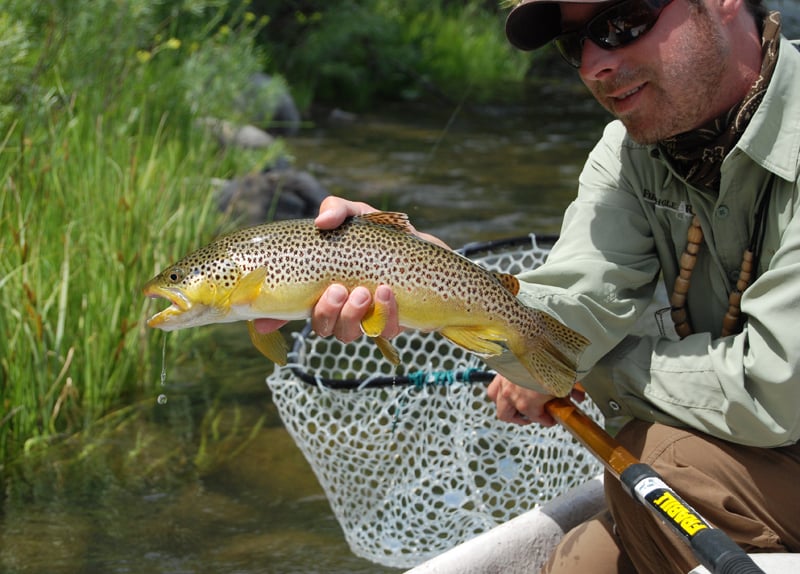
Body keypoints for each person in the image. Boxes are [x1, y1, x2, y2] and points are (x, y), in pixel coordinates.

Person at [256, 0, 800, 571]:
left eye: (621, 24)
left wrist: (579, 370)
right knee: (577, 563)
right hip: (755, 456)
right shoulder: (630, 152)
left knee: (662, 460)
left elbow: (774, 387)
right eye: (573, 43)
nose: (592, 64)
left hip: (762, 434)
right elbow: (574, 306)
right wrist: (440, 273)